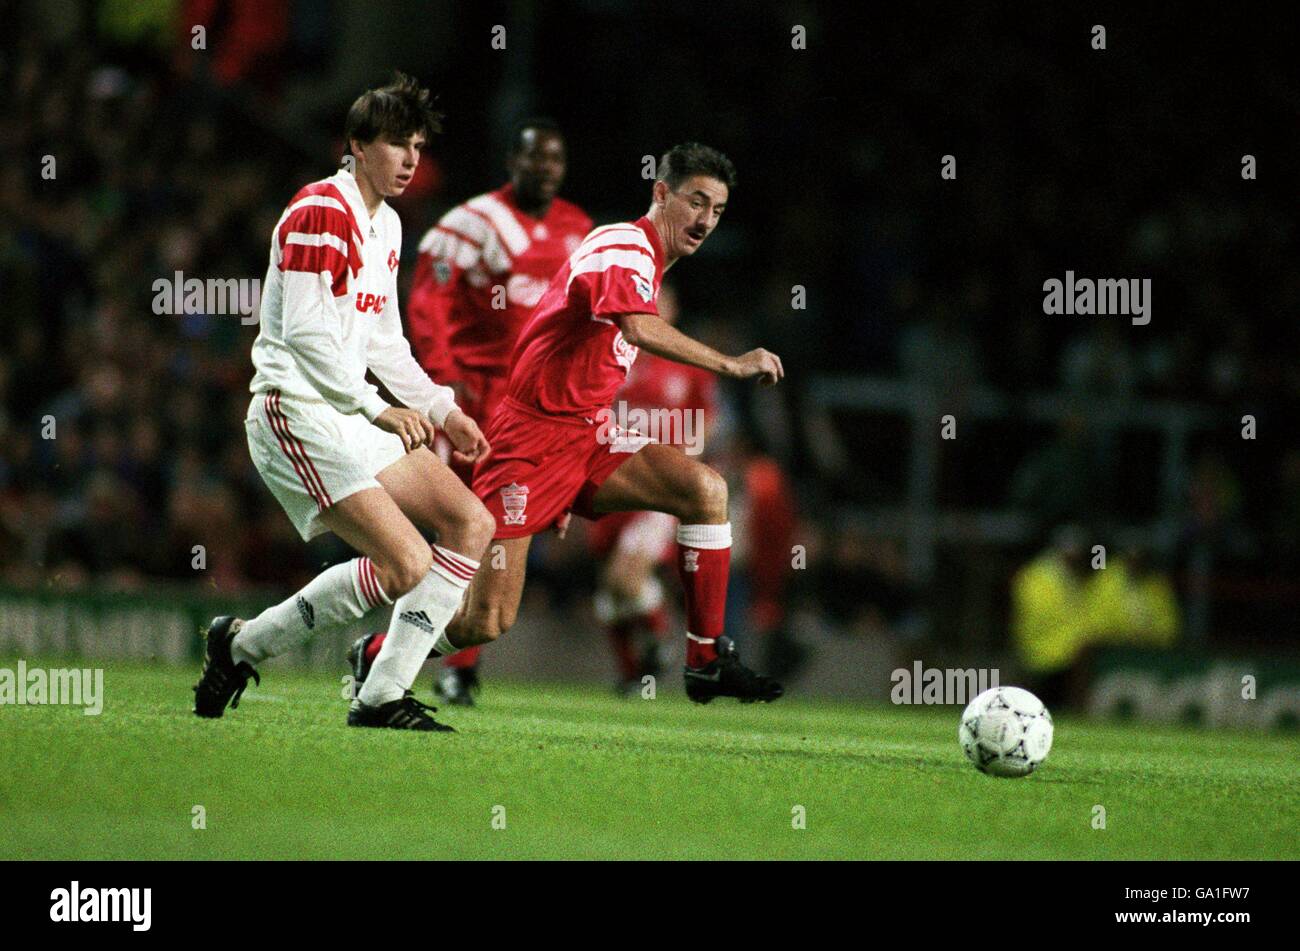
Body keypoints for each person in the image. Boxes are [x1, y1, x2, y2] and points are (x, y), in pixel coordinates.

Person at [416, 141, 785, 703]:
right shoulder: (624, 246)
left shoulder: (649, 268)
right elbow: (637, 328)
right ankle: (380, 651)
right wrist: (729, 361)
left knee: (705, 489)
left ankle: (706, 657)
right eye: (696, 202)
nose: (706, 220)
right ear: (661, 194)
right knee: (486, 620)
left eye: (718, 210)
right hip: (530, 441)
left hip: (587, 435)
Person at [192, 73, 494, 731]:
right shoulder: (320, 211)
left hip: (348, 411)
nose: (410, 160)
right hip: (293, 409)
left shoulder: (383, 226)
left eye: (417, 146)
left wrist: (443, 410)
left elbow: (385, 342)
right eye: (395, 144)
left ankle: (381, 692)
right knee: (406, 562)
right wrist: (376, 407)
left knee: (470, 523)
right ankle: (243, 645)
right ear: (356, 145)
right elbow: (303, 334)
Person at [348, 119, 592, 706]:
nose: (545, 170)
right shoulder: (469, 223)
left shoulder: (578, 230)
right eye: (535, 159)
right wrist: (442, 378)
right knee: (466, 527)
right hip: (473, 402)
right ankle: (433, 659)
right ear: (513, 160)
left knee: (494, 530)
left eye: (555, 161)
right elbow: (429, 300)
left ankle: (402, 654)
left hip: (536, 409)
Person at [582, 284, 718, 694]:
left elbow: (705, 423)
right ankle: (633, 674)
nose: (654, 310)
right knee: (609, 592)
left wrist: (683, 473)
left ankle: (662, 638)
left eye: (663, 304)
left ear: (674, 312)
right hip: (611, 482)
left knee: (626, 578)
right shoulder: (609, 355)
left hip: (657, 489)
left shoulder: (689, 365)